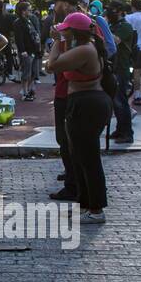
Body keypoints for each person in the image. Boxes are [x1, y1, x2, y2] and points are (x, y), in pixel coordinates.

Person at [45, 11, 111, 222]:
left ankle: (96, 209)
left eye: (67, 32)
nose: (63, 35)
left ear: (74, 33)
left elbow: (51, 65)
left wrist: (57, 41)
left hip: (87, 103)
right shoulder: (84, 47)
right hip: (82, 102)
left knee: (88, 157)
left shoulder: (84, 49)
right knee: (79, 157)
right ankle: (85, 204)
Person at [46, 0, 83, 200]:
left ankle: (74, 185)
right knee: (67, 140)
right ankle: (73, 181)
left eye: (57, 3)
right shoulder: (72, 25)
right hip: (66, 89)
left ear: (67, 4)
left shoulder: (73, 25)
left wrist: (57, 42)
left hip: (69, 91)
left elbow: (54, 63)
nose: (54, 8)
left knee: (68, 140)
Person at [106, 1, 137, 142]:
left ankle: (127, 133)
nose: (108, 13)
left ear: (119, 11)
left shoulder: (125, 26)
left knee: (120, 101)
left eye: (111, 10)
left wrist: (103, 28)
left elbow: (114, 41)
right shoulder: (112, 26)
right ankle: (120, 129)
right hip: (113, 67)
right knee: (115, 101)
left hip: (121, 68)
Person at [13, 0, 42, 102]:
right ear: (23, 11)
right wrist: (22, 50)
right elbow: (19, 38)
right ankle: (24, 92)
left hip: (33, 49)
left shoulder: (29, 20)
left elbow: (34, 33)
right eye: (28, 10)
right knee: (26, 73)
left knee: (34, 72)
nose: (30, 11)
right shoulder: (18, 23)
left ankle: (29, 90)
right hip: (26, 51)